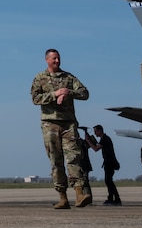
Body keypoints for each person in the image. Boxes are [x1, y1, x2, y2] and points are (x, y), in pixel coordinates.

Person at [30, 48, 91, 208]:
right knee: (56, 160)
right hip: (50, 124)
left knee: (73, 157)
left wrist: (68, 92)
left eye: (58, 58)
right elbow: (35, 98)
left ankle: (79, 193)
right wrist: (55, 94)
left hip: (68, 124)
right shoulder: (40, 78)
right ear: (47, 60)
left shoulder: (69, 77)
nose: (57, 61)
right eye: (54, 58)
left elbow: (85, 93)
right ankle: (62, 196)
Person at [91, 125, 122, 205]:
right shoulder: (104, 138)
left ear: (99, 131)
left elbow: (96, 148)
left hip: (109, 162)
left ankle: (116, 199)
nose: (95, 133)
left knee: (109, 181)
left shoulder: (105, 139)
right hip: (108, 162)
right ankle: (112, 198)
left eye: (95, 131)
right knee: (108, 181)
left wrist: (88, 140)